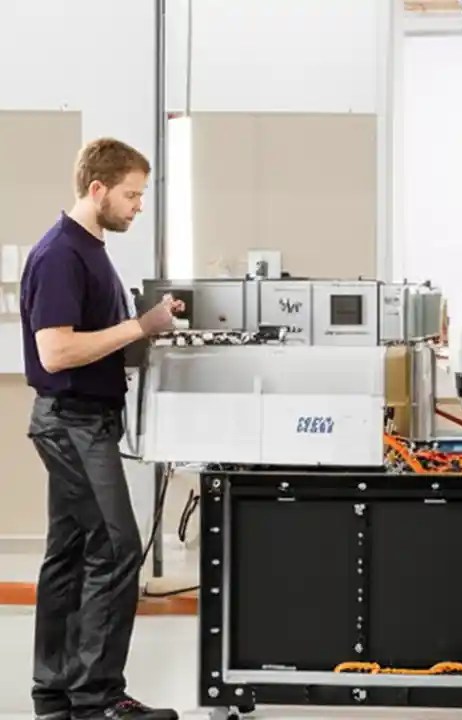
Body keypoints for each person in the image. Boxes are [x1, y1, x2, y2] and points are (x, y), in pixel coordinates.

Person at [20, 137, 184, 720]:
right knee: (117, 549)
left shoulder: (90, 249)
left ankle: (56, 695)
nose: (138, 206)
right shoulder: (61, 253)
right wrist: (139, 326)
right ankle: (98, 699)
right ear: (98, 189)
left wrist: (144, 329)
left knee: (68, 554)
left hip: (80, 420)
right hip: (72, 423)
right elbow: (57, 351)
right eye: (132, 194)